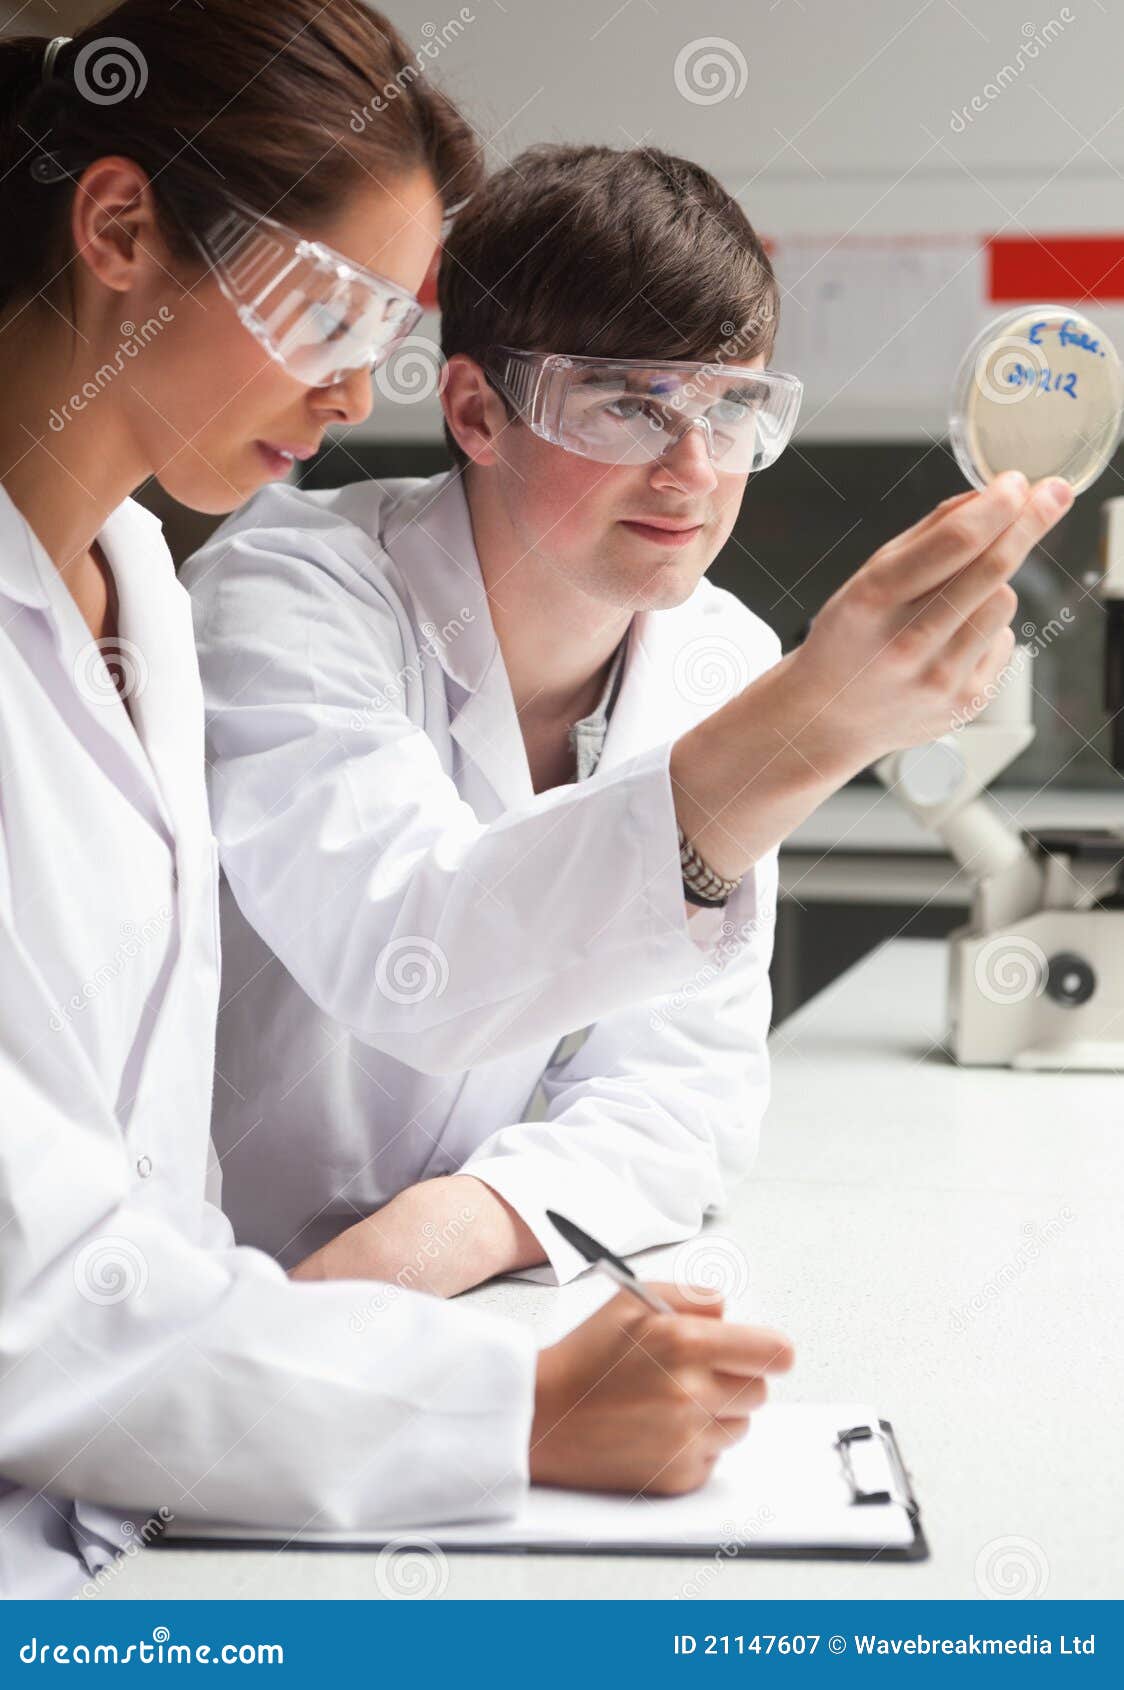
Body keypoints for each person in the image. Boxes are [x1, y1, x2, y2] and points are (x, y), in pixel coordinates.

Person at [0, 0, 794, 1600]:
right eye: (332, 305)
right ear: (120, 229)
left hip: (164, 1466)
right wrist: (506, 1405)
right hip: (159, 1426)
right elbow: (38, 1288)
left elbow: (678, 1087)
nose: (362, 383)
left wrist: (427, 1273)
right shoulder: (273, 582)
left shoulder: (136, 581)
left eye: (388, 320)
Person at [181, 142, 1073, 1297]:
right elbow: (408, 957)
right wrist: (810, 723)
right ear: (474, 412)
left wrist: (441, 1235)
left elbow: (676, 1095)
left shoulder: (721, 657)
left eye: (730, 406)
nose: (691, 469)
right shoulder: (288, 589)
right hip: (198, 1314)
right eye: (625, 404)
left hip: (440, 1304)